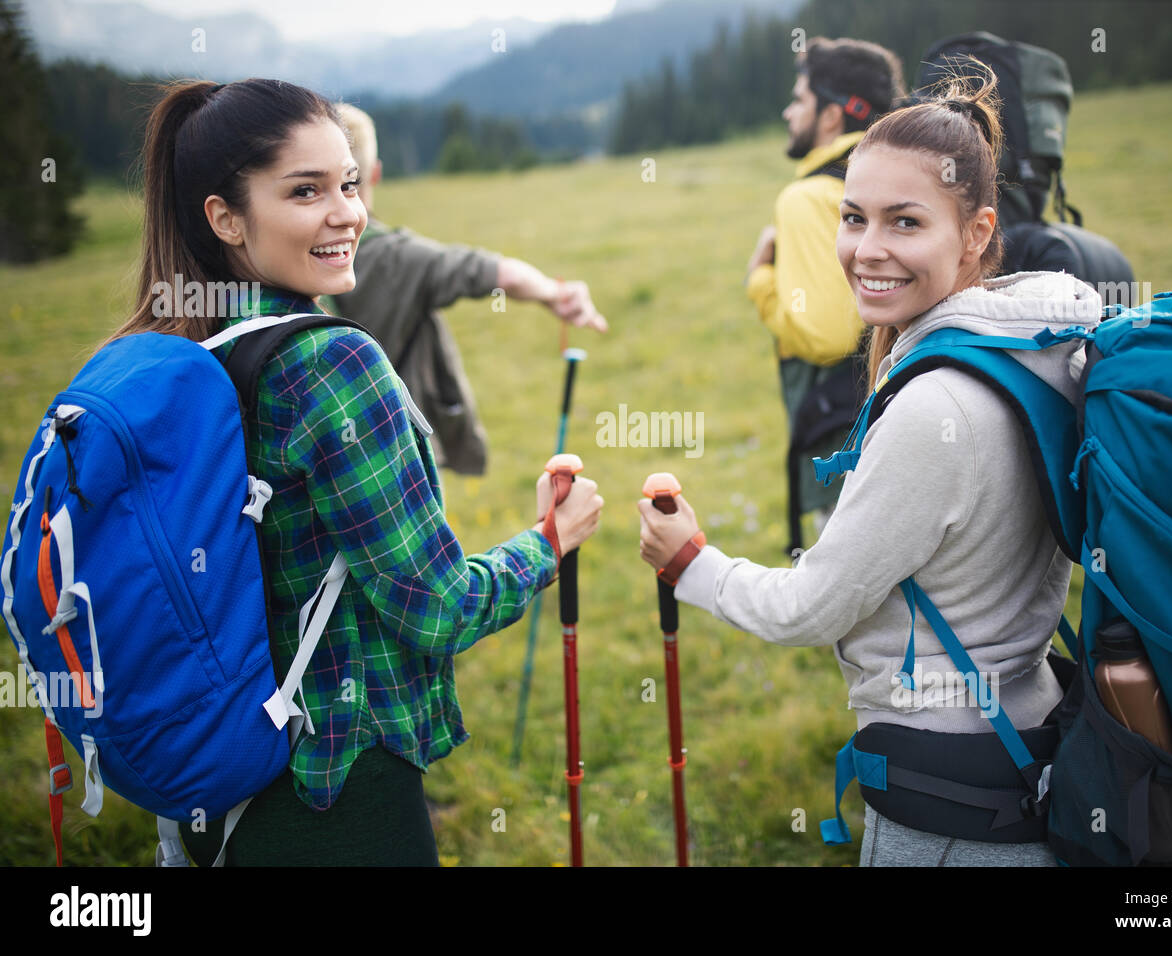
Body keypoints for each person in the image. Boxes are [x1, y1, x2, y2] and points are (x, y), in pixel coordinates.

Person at [111, 78, 603, 865]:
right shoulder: (333, 362)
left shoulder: (176, 344)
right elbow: (437, 607)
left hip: (212, 781)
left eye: (347, 182)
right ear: (224, 216)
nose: (346, 212)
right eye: (305, 191)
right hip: (334, 787)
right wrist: (551, 539)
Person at [641, 66, 1100, 866]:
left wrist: (691, 564)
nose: (867, 250)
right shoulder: (1039, 349)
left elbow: (810, 609)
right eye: (853, 217)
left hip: (949, 797)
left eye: (905, 222)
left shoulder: (937, 409)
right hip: (1032, 736)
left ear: (978, 233)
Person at [328, 103, 607, 476]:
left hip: (324, 450)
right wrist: (556, 294)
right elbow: (495, 273)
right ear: (376, 173)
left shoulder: (295, 258)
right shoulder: (402, 257)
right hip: (396, 446)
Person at [745, 37, 904, 551]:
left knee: (849, 595)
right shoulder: (905, 179)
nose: (789, 111)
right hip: (907, 406)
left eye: (800, 99)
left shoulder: (808, 196)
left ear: (833, 115)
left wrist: (761, 281)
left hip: (842, 424)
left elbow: (826, 335)